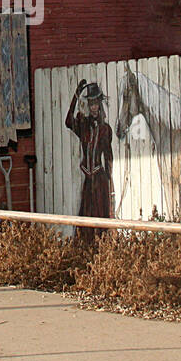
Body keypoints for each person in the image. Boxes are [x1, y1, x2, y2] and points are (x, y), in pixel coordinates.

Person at [66, 80, 114, 243]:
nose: (94, 107)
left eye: (96, 103)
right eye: (91, 103)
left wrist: (110, 183)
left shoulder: (105, 129)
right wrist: (76, 95)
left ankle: (102, 252)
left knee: (100, 218)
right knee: (85, 219)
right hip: (88, 179)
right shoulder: (83, 125)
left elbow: (108, 156)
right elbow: (68, 121)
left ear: (100, 105)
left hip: (99, 180)